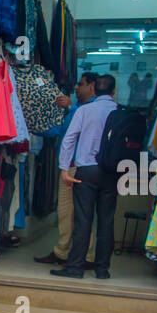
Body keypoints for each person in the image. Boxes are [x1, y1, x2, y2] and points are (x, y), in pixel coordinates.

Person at [51, 72, 119, 281]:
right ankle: (102, 270)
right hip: (112, 172)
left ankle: (75, 267)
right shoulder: (119, 112)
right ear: (114, 92)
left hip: (86, 171)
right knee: (106, 222)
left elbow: (69, 139)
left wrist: (64, 168)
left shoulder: (85, 110)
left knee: (83, 220)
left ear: (94, 90)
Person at [36, 72, 97, 268]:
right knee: (73, 212)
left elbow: (70, 131)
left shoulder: (87, 109)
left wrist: (71, 106)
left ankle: (77, 255)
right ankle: (69, 252)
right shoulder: (81, 109)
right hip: (78, 167)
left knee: (75, 212)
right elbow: (61, 130)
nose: (77, 87)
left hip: (75, 167)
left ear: (92, 87)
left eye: (81, 84)